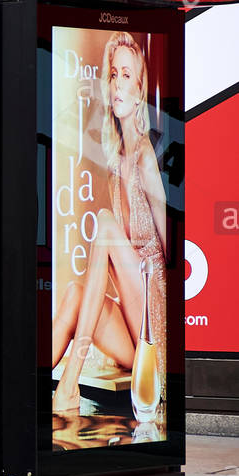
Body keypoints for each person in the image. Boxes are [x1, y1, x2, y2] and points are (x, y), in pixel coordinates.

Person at [51, 32, 166, 413]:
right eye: (114, 74)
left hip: (154, 322)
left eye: (127, 76)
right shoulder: (117, 156)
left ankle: (68, 383)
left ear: (140, 88)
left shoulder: (146, 155)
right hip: (135, 327)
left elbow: (168, 251)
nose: (118, 83)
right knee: (73, 295)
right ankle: (26, 393)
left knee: (102, 221)